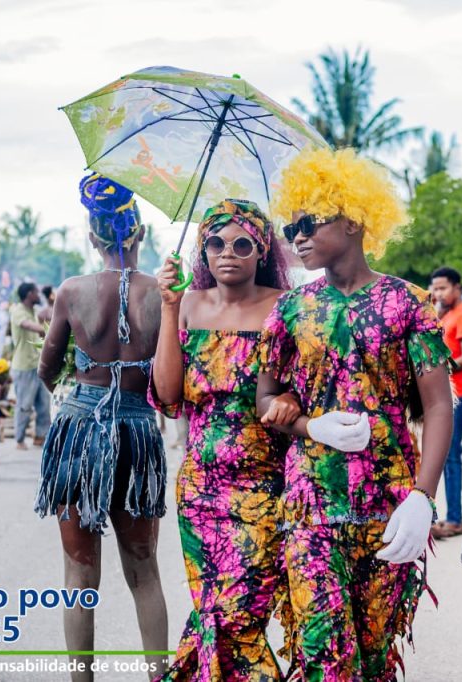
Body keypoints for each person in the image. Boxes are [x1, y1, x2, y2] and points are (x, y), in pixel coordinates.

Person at [258, 147, 454, 680]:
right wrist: (305, 424)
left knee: (373, 657)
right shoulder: (291, 308)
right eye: (290, 225)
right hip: (311, 503)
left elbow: (438, 405)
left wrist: (423, 498)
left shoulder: (408, 302)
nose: (296, 236)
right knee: (324, 655)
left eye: (309, 222)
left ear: (350, 220)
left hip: (387, 502)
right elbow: (265, 398)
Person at [149, 198, 296, 680]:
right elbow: (169, 396)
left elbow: (307, 382)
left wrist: (292, 398)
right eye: (215, 242)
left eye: (241, 243)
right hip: (199, 490)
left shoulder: (285, 308)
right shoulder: (188, 304)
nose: (227, 252)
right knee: (215, 612)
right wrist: (169, 309)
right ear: (202, 251)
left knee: (237, 617)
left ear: (261, 250)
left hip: (263, 488)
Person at [34, 173, 168, 679]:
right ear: (141, 233)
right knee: (144, 570)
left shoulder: (71, 291)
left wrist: (79, 391)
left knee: (79, 573)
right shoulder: (163, 293)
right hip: (137, 430)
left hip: (79, 429)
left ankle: (81, 678)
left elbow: (47, 368)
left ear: (92, 237)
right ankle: (159, 676)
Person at [429, 266, 462, 539]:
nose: (437, 293)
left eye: (443, 288)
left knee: (450, 458)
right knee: (442, 457)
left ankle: (455, 520)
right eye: (434, 288)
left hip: (459, 394)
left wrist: (437, 368)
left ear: (457, 288)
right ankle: (445, 517)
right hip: (446, 395)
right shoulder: (447, 314)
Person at [11, 282, 50, 451]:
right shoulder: (18, 311)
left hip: (37, 364)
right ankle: (19, 439)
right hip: (24, 366)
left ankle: (40, 437)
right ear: (28, 294)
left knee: (43, 403)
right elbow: (27, 325)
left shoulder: (34, 312)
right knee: (24, 405)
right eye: (36, 292)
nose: (38, 295)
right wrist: (45, 330)